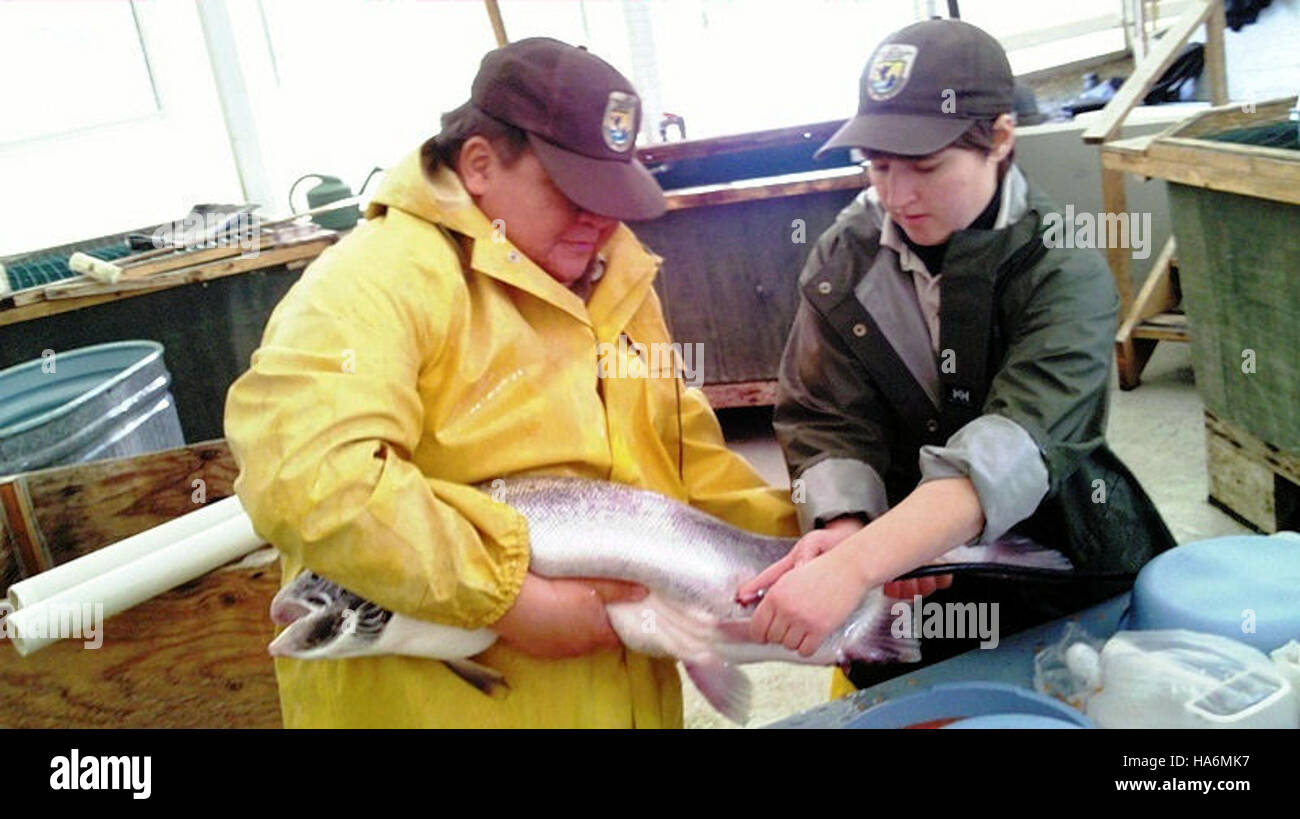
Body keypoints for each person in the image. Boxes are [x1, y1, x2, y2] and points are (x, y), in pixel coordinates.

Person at [224, 37, 798, 728]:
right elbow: (309, 474)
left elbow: (686, 465)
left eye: (611, 194)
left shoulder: (614, 277)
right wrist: (507, 597)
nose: (600, 219)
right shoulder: (372, 284)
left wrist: (829, 545)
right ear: (479, 164)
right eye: (572, 190)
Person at [737, 19, 1175, 695]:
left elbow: (1012, 451)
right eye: (878, 165)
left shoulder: (1063, 270)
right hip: (908, 579)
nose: (895, 194)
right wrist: (847, 524)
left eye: (925, 166)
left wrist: (856, 566)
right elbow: (825, 412)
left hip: (1059, 556)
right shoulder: (843, 256)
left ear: (1000, 139)